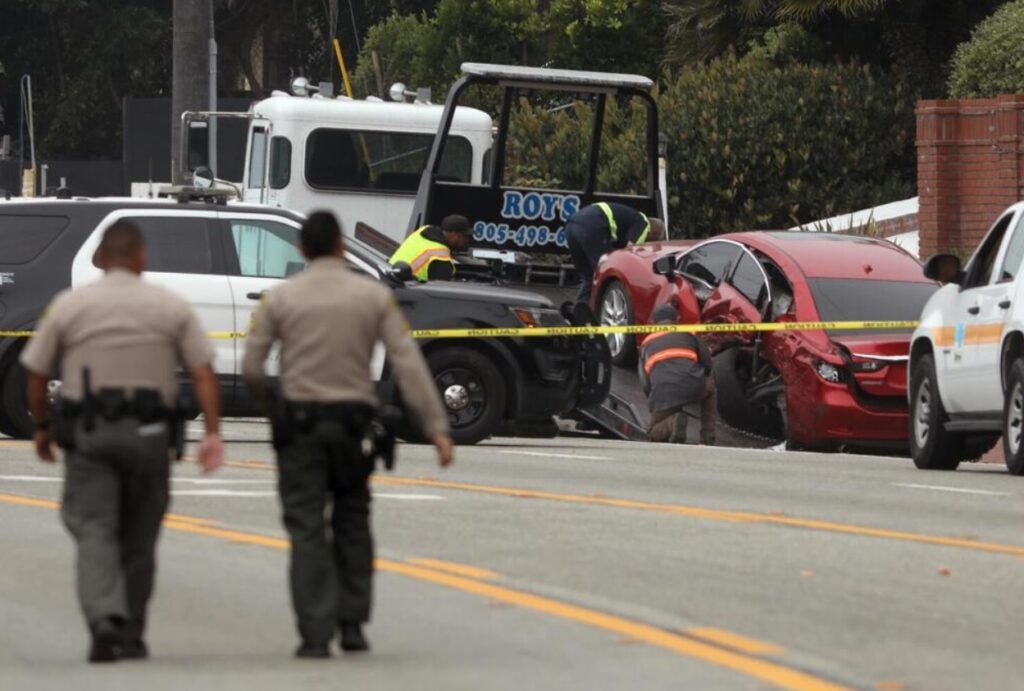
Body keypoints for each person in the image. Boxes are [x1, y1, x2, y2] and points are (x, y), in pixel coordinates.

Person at [243, 211, 453, 659]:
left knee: (306, 529)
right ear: (341, 247)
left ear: (301, 249)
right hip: (353, 429)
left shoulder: (281, 298)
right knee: (353, 524)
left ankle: (314, 634)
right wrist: (437, 428)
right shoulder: (372, 297)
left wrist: (273, 408)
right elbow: (409, 362)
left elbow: (252, 367)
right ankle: (353, 624)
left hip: (299, 428)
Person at [20, 220, 224, 663]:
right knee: (139, 535)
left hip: (90, 436)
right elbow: (204, 372)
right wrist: (211, 433)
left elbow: (35, 372)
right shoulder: (170, 306)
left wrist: (41, 427)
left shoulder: (69, 306)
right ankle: (131, 630)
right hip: (151, 436)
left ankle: (103, 619)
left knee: (95, 527)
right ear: (142, 257)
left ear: (102, 259)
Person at [639, 304, 716, 445]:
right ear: (676, 319)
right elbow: (708, 364)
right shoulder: (689, 333)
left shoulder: (646, 344)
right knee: (710, 384)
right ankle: (708, 435)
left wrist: (655, 398)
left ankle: (672, 422)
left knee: (652, 432)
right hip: (693, 386)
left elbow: (645, 383)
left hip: (663, 393)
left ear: (653, 323)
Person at [565, 202, 666, 303]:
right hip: (592, 225)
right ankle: (602, 307)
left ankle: (580, 308)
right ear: (654, 233)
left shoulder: (629, 220)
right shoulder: (643, 225)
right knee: (607, 271)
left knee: (588, 276)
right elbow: (629, 254)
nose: (648, 245)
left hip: (571, 226)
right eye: (653, 242)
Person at [388, 214, 472, 281]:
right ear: (454, 235)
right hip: (406, 290)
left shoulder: (423, 230)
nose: (467, 241)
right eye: (465, 237)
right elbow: (440, 293)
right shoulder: (440, 257)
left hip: (388, 276)